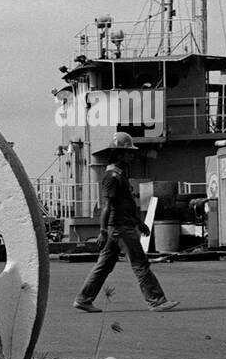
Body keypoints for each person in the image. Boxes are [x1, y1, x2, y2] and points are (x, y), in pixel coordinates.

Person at [73, 132, 180, 313]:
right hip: (120, 229)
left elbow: (124, 205)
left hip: (120, 227)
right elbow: (107, 205)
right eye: (128, 153)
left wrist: (138, 223)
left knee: (104, 265)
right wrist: (102, 230)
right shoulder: (112, 177)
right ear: (119, 154)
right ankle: (156, 301)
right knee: (140, 264)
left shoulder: (118, 176)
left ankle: (83, 299)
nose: (132, 155)